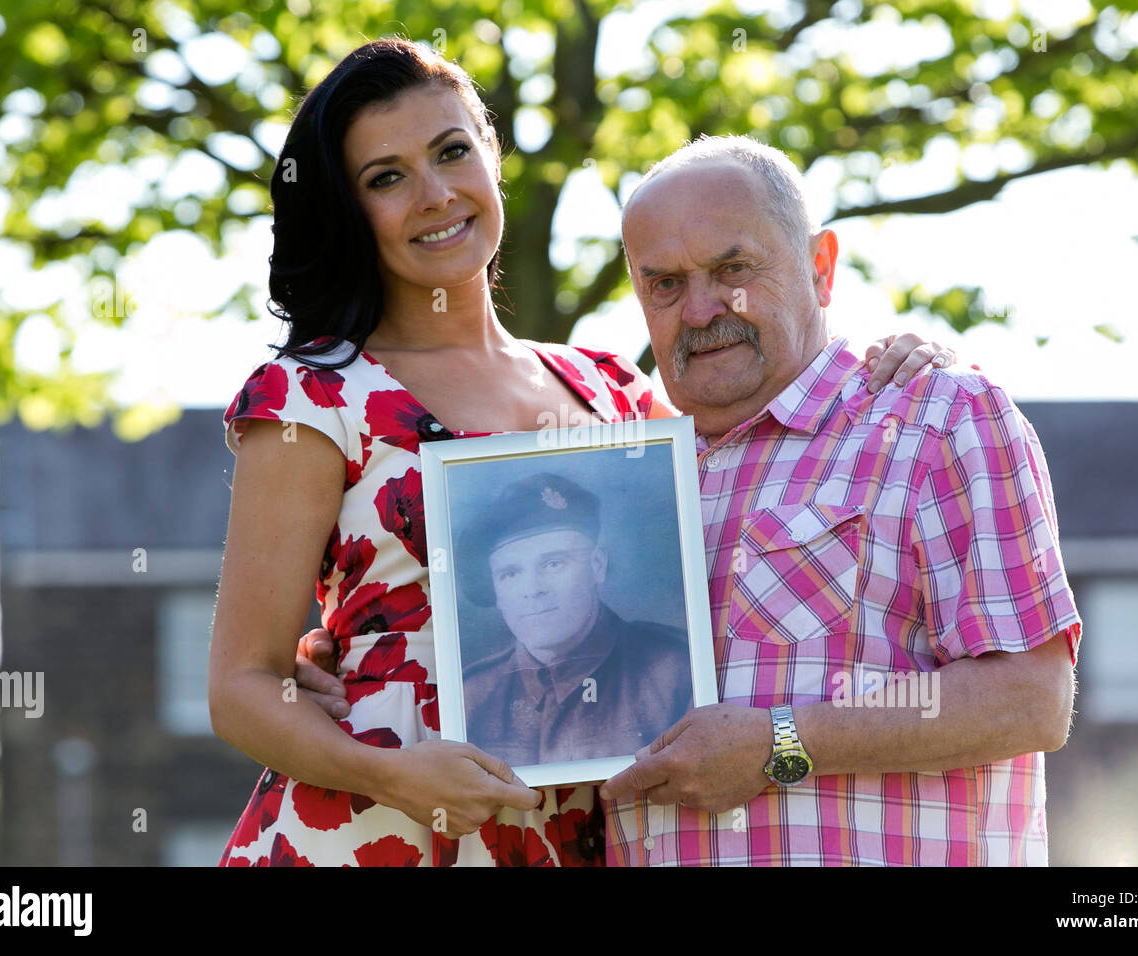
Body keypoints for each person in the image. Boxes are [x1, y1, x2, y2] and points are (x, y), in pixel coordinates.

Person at [213, 37, 949, 868]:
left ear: (492, 161)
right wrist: (390, 772)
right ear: (353, 210)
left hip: (578, 837)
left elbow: (769, 441)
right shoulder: (310, 397)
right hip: (372, 830)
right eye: (386, 177)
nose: (434, 194)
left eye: (452, 153)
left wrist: (893, 362)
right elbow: (242, 686)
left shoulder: (611, 391)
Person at [592, 135, 1082, 865]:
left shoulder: (936, 418)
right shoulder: (629, 484)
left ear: (820, 267)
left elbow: (1030, 699)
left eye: (733, 270)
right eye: (663, 283)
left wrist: (780, 744)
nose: (698, 310)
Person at [457, 473, 692, 768]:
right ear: (497, 592)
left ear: (597, 566)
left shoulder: (676, 671)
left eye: (553, 564)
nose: (533, 589)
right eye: (511, 574)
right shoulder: (472, 695)